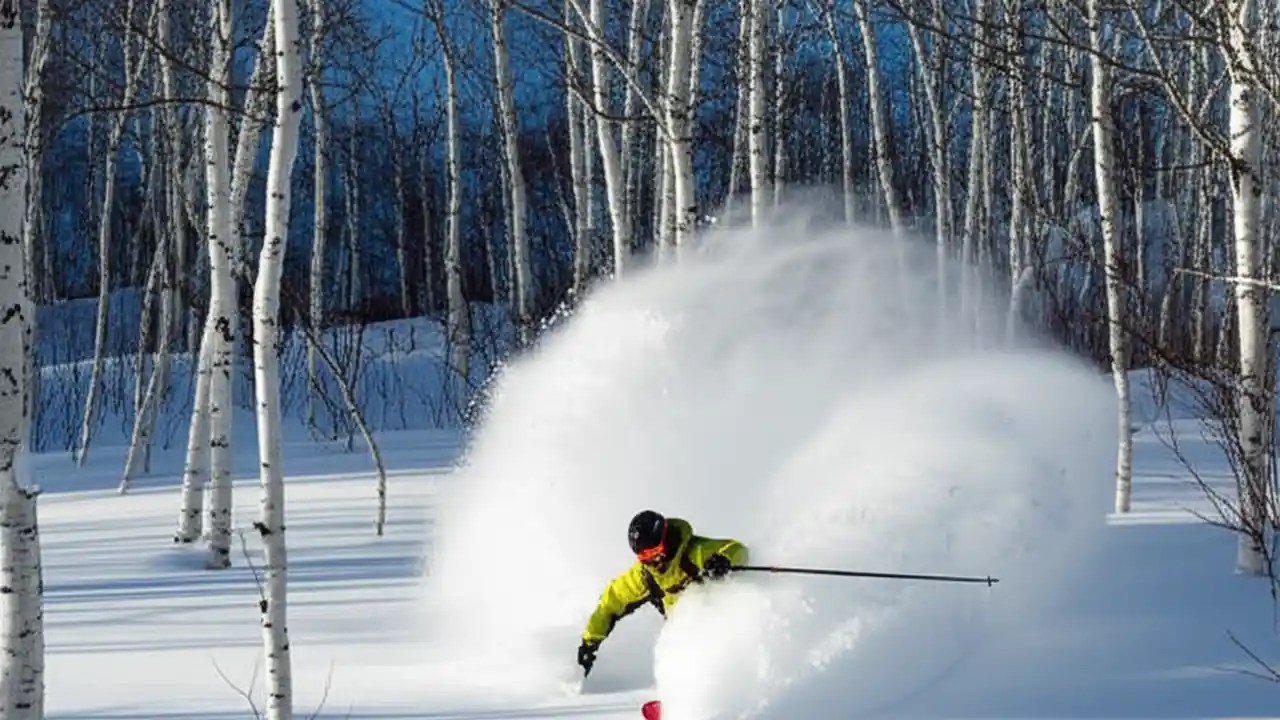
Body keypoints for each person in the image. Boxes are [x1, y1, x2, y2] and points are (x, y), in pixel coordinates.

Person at [577, 510, 748, 675]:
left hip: (719, 622)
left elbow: (738, 549)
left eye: (653, 551)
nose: (652, 560)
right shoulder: (644, 574)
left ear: (665, 540)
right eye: (644, 556)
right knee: (676, 648)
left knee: (706, 647)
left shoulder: (696, 552)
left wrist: (723, 559)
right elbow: (610, 602)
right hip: (683, 631)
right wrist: (589, 642)